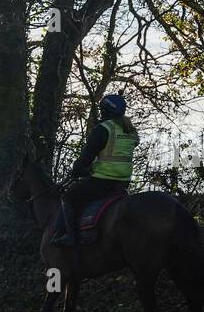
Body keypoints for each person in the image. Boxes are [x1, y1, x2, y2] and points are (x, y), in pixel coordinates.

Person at [52, 94, 139, 247]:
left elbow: (85, 159)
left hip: (103, 180)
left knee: (68, 197)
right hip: (123, 182)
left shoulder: (103, 129)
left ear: (105, 110)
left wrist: (77, 170)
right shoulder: (131, 131)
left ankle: (71, 237)